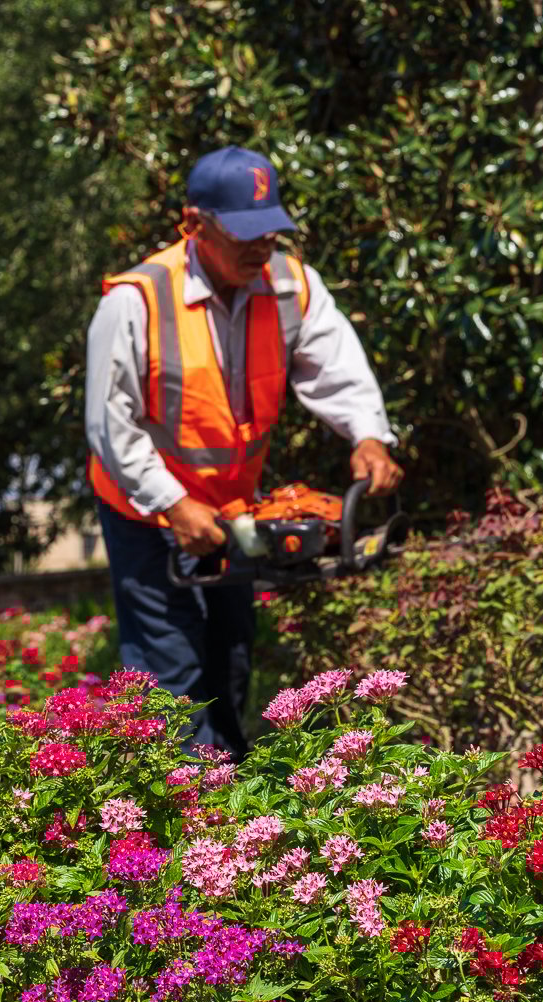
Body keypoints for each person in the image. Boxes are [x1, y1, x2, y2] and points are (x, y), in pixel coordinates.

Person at [85, 146, 404, 756]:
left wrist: (369, 436)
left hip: (233, 514)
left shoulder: (291, 285)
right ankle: (173, 826)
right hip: (148, 517)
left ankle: (227, 819)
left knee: (230, 662)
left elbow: (338, 371)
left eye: (270, 234)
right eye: (243, 237)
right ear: (194, 223)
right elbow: (110, 424)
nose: (260, 250)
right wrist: (174, 506)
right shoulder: (136, 300)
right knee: (168, 679)